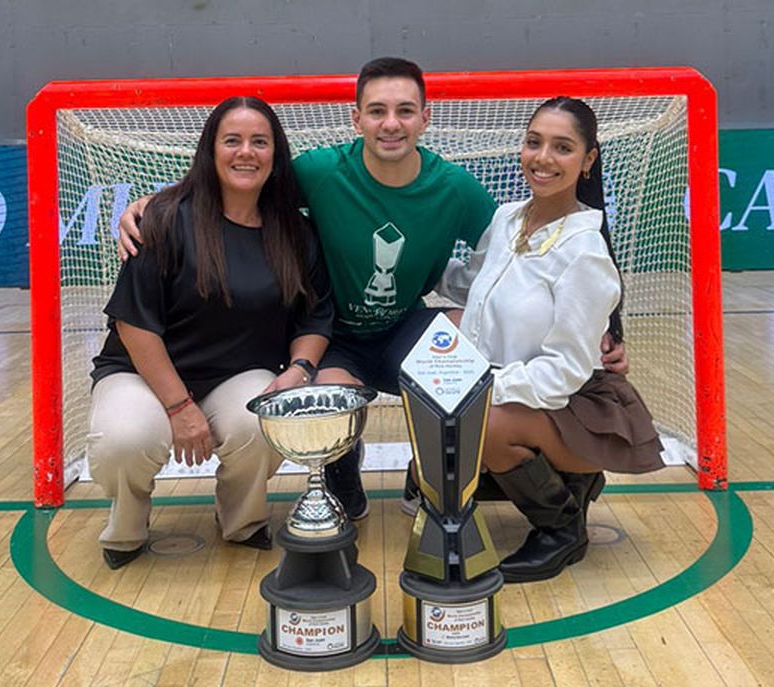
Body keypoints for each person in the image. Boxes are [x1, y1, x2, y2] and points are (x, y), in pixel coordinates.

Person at [118, 58, 628, 522]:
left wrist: (609, 327)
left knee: (460, 342)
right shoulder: (320, 172)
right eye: (378, 111)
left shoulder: (455, 188)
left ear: (425, 119)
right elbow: (241, 181)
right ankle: (342, 468)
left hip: (403, 324)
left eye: (405, 111)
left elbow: (525, 253)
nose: (391, 123)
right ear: (356, 119)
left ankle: (439, 472)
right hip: (330, 335)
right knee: (331, 398)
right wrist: (156, 204)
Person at [88, 96, 333, 570]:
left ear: (275, 155)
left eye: (260, 142)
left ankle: (242, 519)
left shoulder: (296, 233)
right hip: (143, 373)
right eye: (233, 141)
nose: (246, 152)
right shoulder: (160, 218)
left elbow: (315, 317)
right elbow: (133, 323)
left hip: (234, 376)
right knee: (124, 439)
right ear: (210, 150)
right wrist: (180, 408)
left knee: (265, 420)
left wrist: (300, 370)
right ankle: (127, 526)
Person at [435, 97, 666, 583]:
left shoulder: (584, 252)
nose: (543, 158)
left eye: (562, 148)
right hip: (520, 394)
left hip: (578, 409)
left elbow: (564, 374)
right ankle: (557, 479)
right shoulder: (507, 219)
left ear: (588, 160)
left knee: (482, 427)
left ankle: (561, 528)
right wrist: (409, 263)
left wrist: (479, 391)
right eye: (534, 142)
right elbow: (468, 287)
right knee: (432, 465)